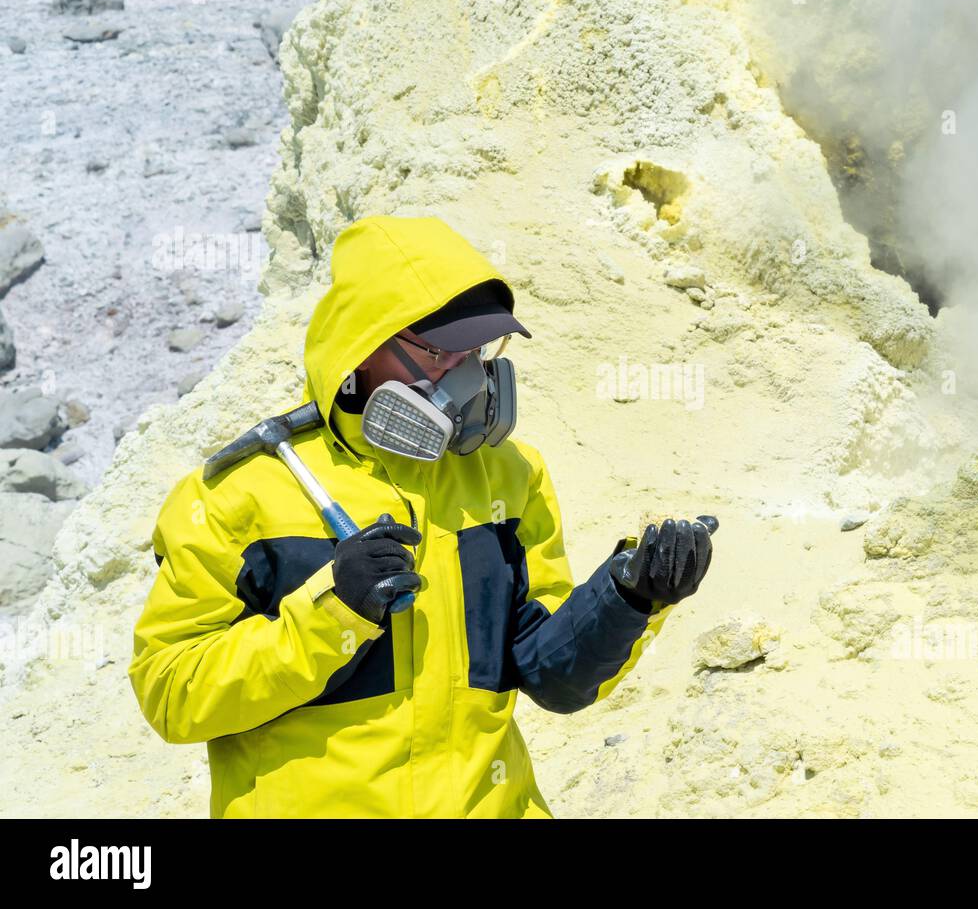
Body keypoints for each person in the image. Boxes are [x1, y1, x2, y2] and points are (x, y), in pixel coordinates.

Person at [128, 215, 715, 818]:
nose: (467, 376)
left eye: (479, 352)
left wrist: (629, 598)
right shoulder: (241, 496)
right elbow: (172, 695)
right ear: (361, 346)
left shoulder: (510, 476)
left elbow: (551, 676)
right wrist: (333, 617)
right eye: (441, 352)